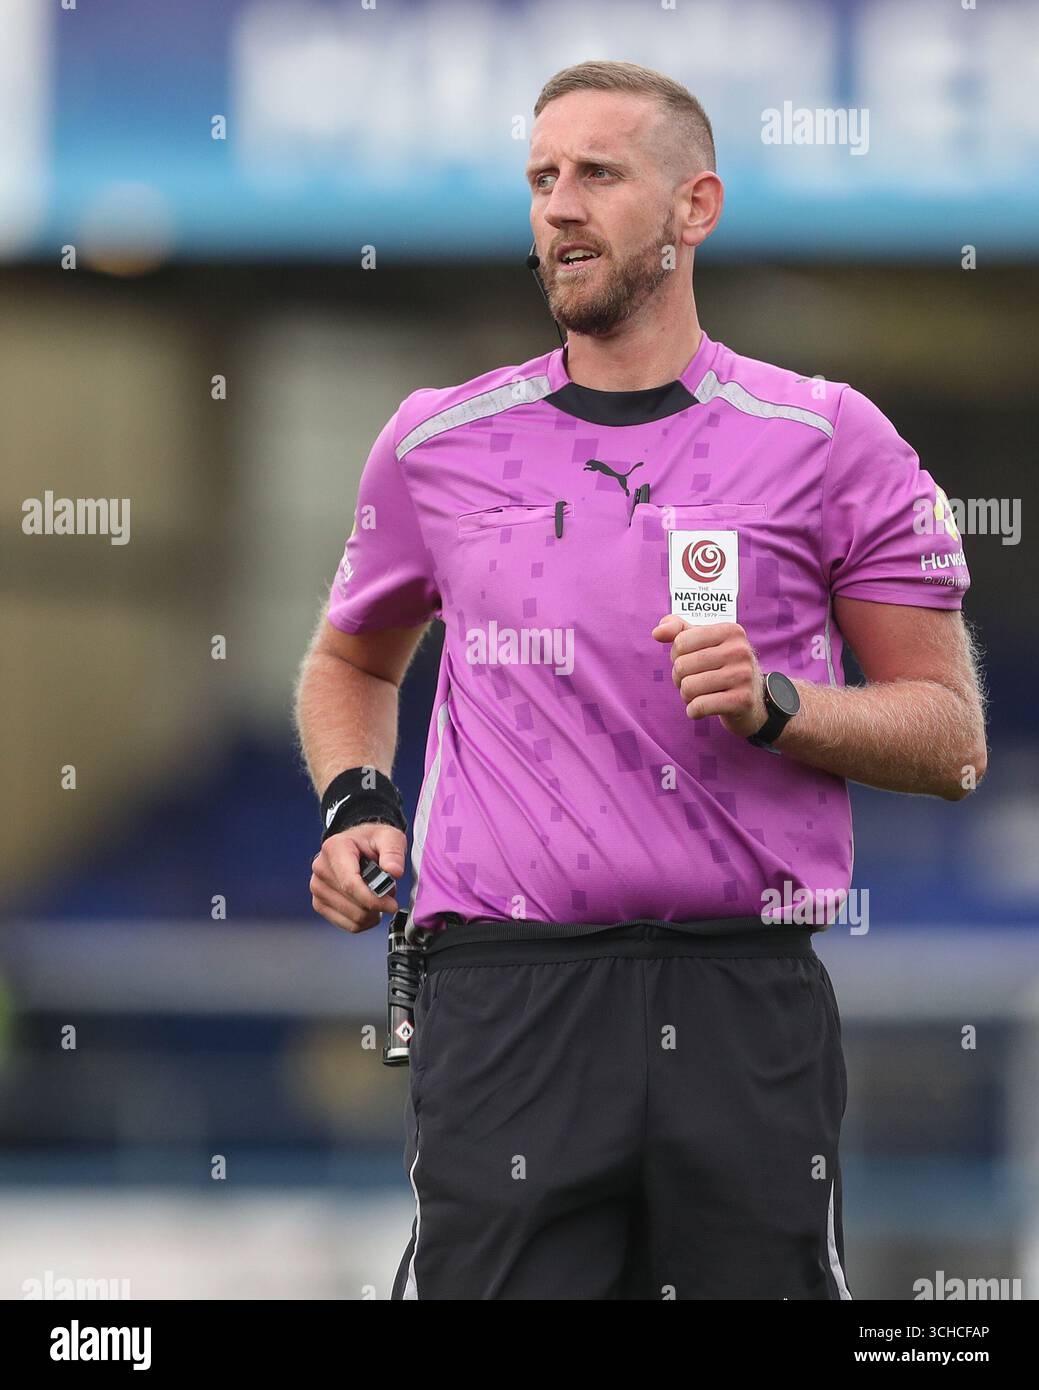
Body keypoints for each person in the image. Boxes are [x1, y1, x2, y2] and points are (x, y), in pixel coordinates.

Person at [294, 60, 987, 1300]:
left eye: (598, 175)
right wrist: (358, 800)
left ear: (693, 209)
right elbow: (351, 656)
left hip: (744, 998)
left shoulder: (829, 439)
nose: (559, 206)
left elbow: (948, 736)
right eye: (541, 178)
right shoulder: (436, 441)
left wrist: (782, 705)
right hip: (508, 1002)